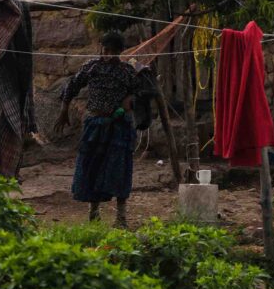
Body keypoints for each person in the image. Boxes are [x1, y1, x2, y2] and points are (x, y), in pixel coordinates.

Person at [57, 11, 187, 227]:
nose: (106, 54)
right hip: (94, 125)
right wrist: (63, 110)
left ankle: (121, 217)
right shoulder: (91, 67)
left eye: (111, 51)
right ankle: (94, 214)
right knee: (91, 167)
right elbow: (72, 86)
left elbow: (144, 91)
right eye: (104, 49)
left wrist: (128, 101)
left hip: (118, 127)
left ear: (119, 52)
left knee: (119, 170)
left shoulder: (126, 71)